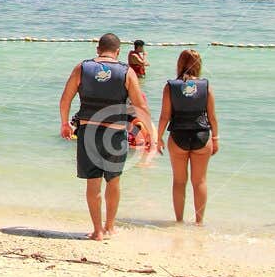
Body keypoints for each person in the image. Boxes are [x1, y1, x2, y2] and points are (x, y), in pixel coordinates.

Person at [58, 32, 155, 241]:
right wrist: (147, 133)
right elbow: (140, 105)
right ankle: (110, 227)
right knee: (113, 181)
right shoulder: (126, 72)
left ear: (97, 49)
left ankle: (97, 230)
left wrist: (65, 124)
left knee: (93, 183)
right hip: (115, 132)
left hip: (87, 131)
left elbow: (65, 98)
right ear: (118, 52)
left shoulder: (82, 68)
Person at [157, 49, 220, 225]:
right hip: (201, 135)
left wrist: (158, 138)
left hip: (178, 136)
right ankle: (199, 222)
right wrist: (215, 138)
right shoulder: (205, 86)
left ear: (179, 64)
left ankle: (179, 221)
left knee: (179, 181)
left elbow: (164, 116)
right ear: (199, 65)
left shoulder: (170, 86)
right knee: (199, 181)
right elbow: (212, 116)